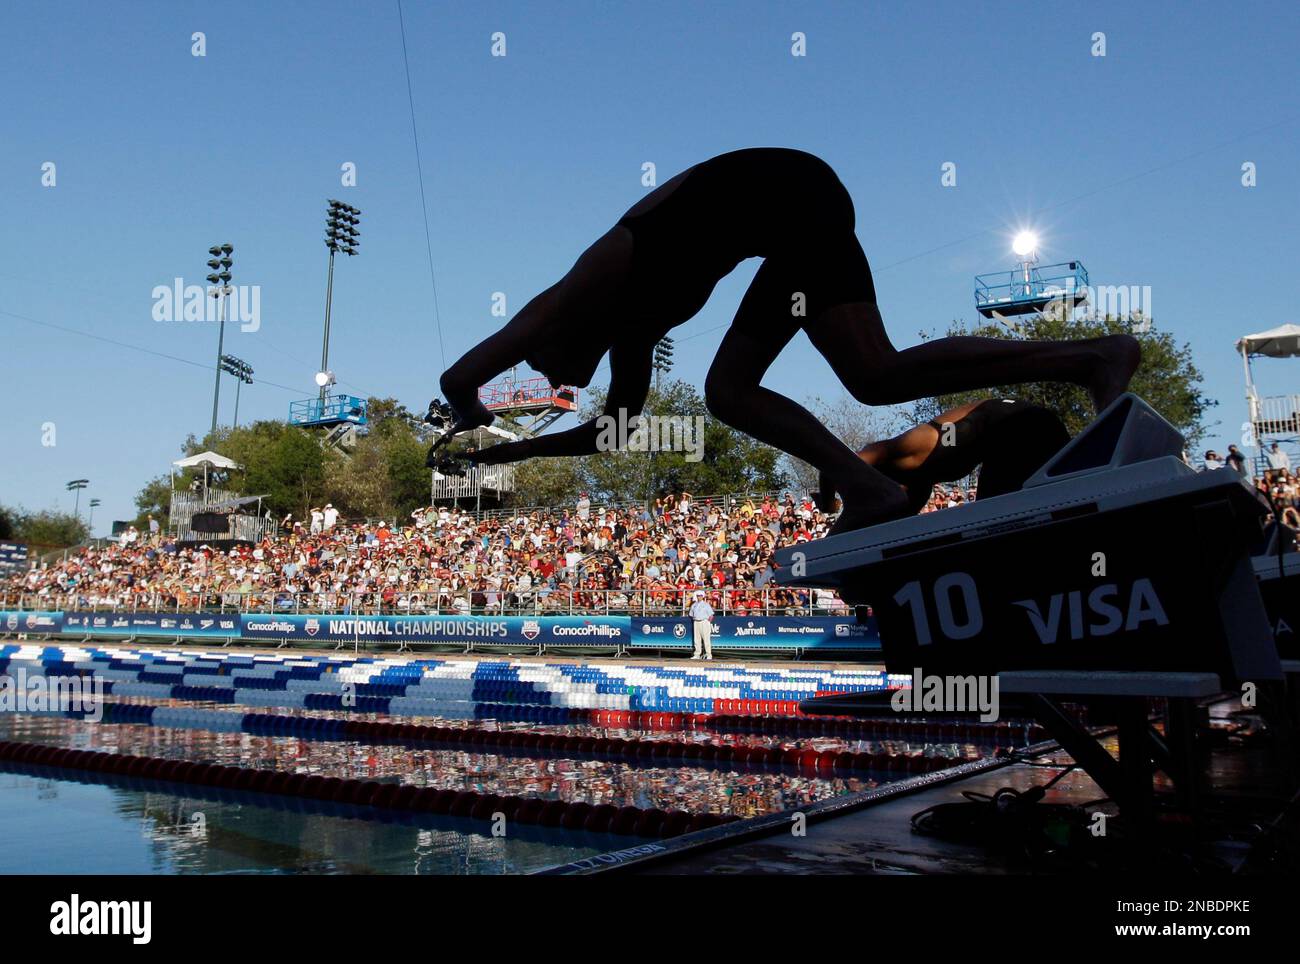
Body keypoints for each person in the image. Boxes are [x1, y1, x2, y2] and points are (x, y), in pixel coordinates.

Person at [433, 148, 1140, 536]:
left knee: (732, 391)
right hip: (804, 212)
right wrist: (511, 451)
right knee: (874, 373)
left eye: (545, 360)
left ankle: (868, 488)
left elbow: (458, 377)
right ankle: (1091, 357)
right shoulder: (632, 336)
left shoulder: (576, 290)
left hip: (786, 193)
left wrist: (472, 409)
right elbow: (613, 435)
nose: (553, 371)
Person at [815, 398, 1071, 514]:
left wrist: (827, 504)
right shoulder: (918, 486)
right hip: (1036, 429)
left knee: (989, 519)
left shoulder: (906, 450)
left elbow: (832, 466)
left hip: (1020, 424)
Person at [688, 589, 715, 661]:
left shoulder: (706, 604)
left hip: (704, 621)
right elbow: (691, 614)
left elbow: (711, 615)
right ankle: (697, 654)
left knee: (706, 639)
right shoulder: (694, 605)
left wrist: (707, 622)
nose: (699, 597)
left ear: (703, 596)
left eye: (700, 596)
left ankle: (709, 654)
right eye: (698, 596)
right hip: (696, 621)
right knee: (697, 639)